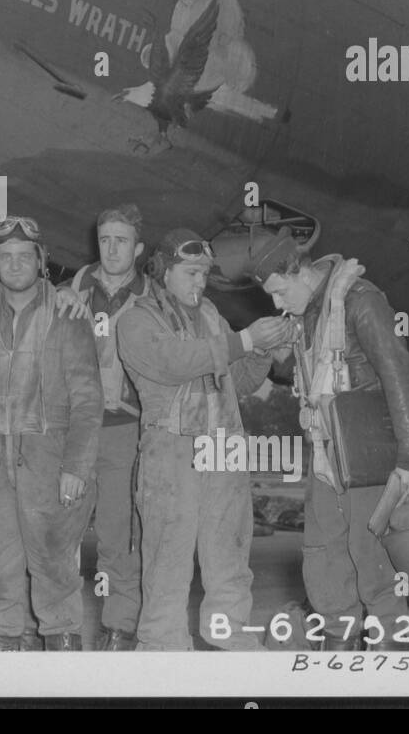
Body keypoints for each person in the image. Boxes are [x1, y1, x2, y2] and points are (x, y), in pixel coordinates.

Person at [248, 228, 409, 650]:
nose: (277, 303)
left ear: (298, 271)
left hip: (366, 457)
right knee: (324, 558)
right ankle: (337, 651)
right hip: (327, 457)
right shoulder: (310, 312)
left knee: (373, 560)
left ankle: (391, 661)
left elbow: (401, 376)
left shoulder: (360, 299)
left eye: (278, 292)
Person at [117, 228, 288, 651]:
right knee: (167, 568)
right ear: (162, 271)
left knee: (230, 561)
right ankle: (162, 656)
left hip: (224, 452)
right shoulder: (137, 319)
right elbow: (174, 363)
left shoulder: (211, 313)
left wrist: (262, 352)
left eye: (204, 274)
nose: (200, 282)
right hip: (172, 455)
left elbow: (238, 383)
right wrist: (246, 339)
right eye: (191, 272)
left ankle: (229, 650)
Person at [0, 218, 103, 651]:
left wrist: (76, 466)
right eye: (6, 256)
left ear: (41, 262)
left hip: (49, 457)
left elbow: (88, 400)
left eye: (26, 256)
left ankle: (61, 680)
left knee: (54, 569)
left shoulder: (67, 315)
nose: (15, 264)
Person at [56, 204, 149, 651]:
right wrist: (53, 298)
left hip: (123, 433)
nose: (112, 249)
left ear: (138, 247)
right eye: (105, 239)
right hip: (74, 431)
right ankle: (62, 632)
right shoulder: (70, 289)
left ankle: (118, 632)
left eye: (122, 241)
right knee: (60, 534)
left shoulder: (154, 297)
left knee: (119, 538)